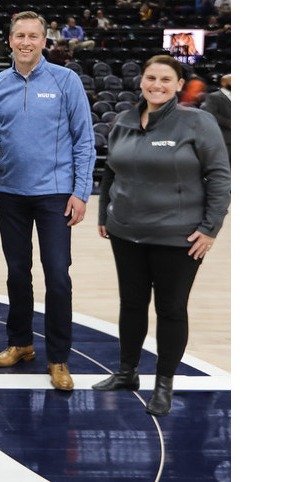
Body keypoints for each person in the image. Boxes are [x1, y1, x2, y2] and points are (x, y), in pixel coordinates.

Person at [93, 55, 230, 416]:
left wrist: (211, 227)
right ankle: (127, 372)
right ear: (141, 82)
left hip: (178, 236)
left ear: (179, 84)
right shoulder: (123, 120)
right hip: (126, 232)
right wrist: (104, 210)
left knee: (170, 309)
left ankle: (164, 383)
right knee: (132, 304)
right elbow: (110, 170)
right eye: (151, 77)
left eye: (166, 79)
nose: (157, 85)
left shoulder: (197, 122)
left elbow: (219, 175)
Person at [0, 11, 96, 391]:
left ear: (44, 41)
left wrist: (80, 192)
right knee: (17, 274)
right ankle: (20, 344)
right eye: (20, 36)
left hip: (55, 195)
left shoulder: (66, 80)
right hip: (11, 194)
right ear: (10, 40)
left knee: (57, 278)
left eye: (33, 36)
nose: (26, 42)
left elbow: (84, 140)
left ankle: (59, 359)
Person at [200, 73, 231, 162]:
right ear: (223, 83)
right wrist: (229, 124)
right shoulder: (213, 96)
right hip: (225, 137)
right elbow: (212, 114)